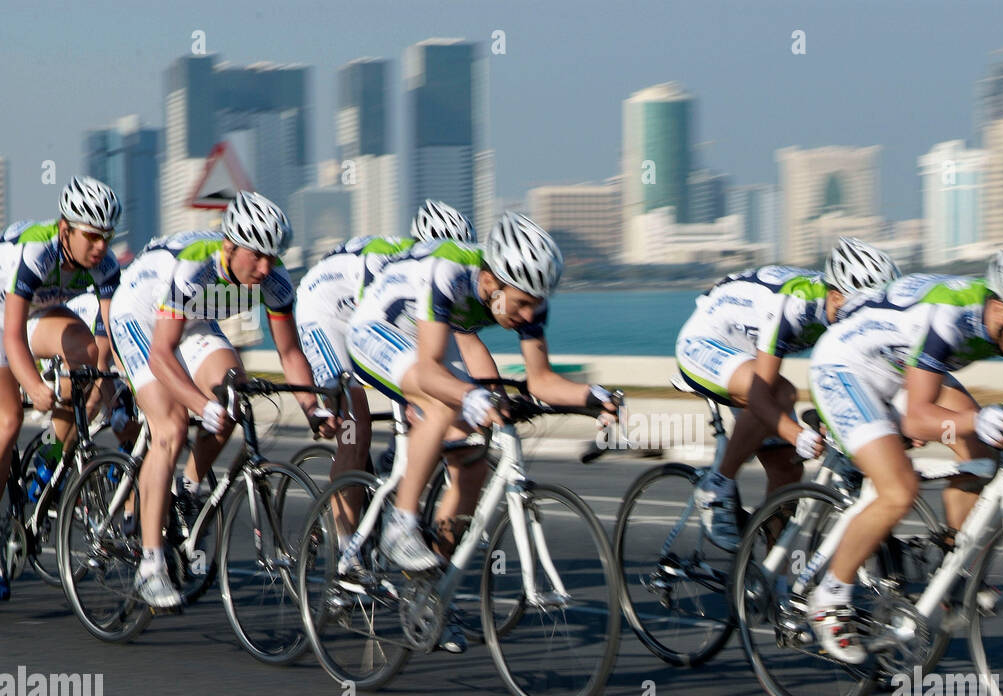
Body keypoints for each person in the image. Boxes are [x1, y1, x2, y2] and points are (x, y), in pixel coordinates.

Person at [805, 239, 1003, 664]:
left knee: (982, 445)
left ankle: (951, 566)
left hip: (898, 369)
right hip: (845, 368)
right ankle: (829, 597)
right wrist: (975, 420)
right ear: (1001, 309)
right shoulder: (948, 317)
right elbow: (918, 419)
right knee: (898, 488)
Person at [346, 212, 620, 650]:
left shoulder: (525, 299)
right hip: (376, 330)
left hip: (428, 339)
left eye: (536, 303)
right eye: (522, 303)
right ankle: (401, 522)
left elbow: (541, 380)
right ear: (492, 280)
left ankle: (431, 594)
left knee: (471, 464)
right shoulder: (447, 273)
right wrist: (470, 397)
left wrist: (593, 395)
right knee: (441, 402)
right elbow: (432, 370)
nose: (530, 313)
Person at [107, 190, 331, 609]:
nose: (266, 268)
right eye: (257, 256)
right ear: (229, 246)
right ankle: (150, 565)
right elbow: (160, 353)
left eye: (273, 256)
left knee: (233, 396)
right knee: (171, 427)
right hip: (140, 318)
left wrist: (312, 407)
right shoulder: (196, 265)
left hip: (193, 321)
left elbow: (291, 353)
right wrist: (198, 404)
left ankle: (186, 493)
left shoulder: (275, 279)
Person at [675, 237, 899, 550]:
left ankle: (770, 578)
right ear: (835, 297)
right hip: (705, 343)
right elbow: (760, 394)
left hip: (749, 357)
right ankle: (716, 487)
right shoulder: (794, 304)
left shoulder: (847, 316)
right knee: (780, 392)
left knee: (787, 470)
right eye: (860, 311)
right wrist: (797, 434)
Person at [0, 176, 122, 601]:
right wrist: (32, 384)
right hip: (5, 316)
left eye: (107, 237)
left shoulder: (105, 265)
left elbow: (109, 341)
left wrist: (111, 393)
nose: (100, 247)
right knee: (8, 423)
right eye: (91, 236)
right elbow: (12, 335)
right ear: (65, 228)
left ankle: (51, 455)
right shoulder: (37, 252)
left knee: (87, 357)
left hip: (44, 312)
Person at [295, 199, 476, 486]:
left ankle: (394, 462)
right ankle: (344, 529)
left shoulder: (446, 281)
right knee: (354, 428)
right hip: (326, 314)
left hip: (367, 321)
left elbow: (464, 342)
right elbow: (376, 341)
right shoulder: (383, 261)